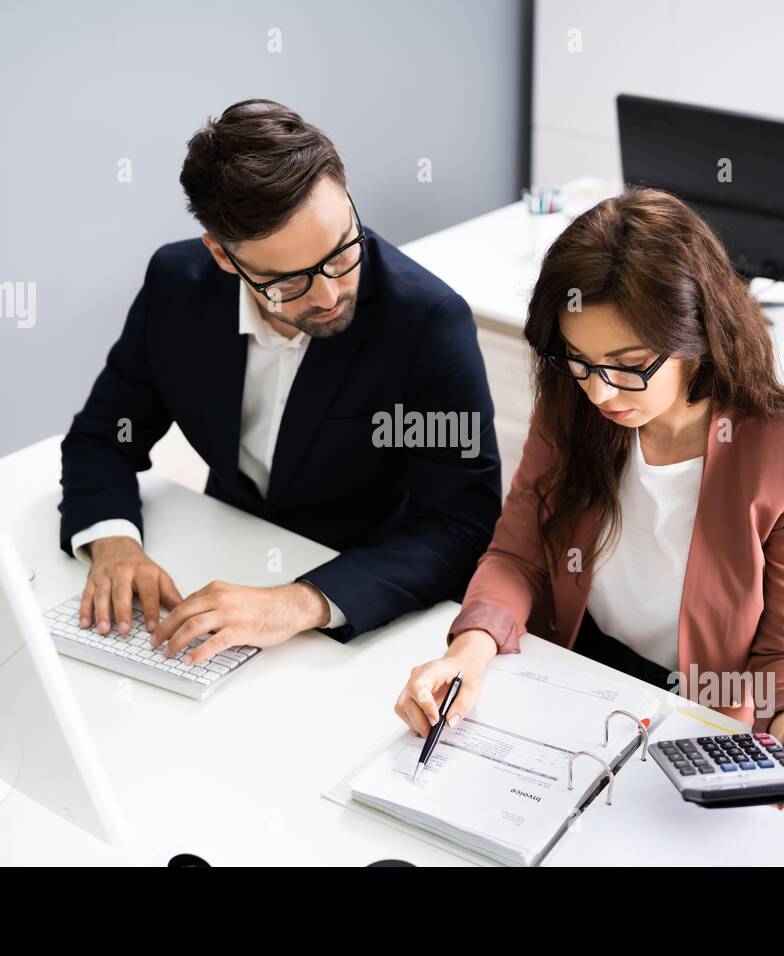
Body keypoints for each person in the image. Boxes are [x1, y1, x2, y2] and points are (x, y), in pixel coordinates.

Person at [394, 186, 784, 814]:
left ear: (698, 334)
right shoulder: (572, 409)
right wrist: (469, 649)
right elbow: (518, 554)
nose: (599, 391)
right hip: (588, 678)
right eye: (580, 361)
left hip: (713, 707)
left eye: (628, 364)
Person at [59, 99, 501, 663]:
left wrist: (297, 603)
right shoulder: (176, 285)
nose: (329, 295)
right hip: (221, 557)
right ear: (222, 255)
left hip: (360, 612)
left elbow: (461, 525)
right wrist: (114, 542)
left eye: (343, 251)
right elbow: (104, 436)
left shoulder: (428, 321)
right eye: (286, 281)